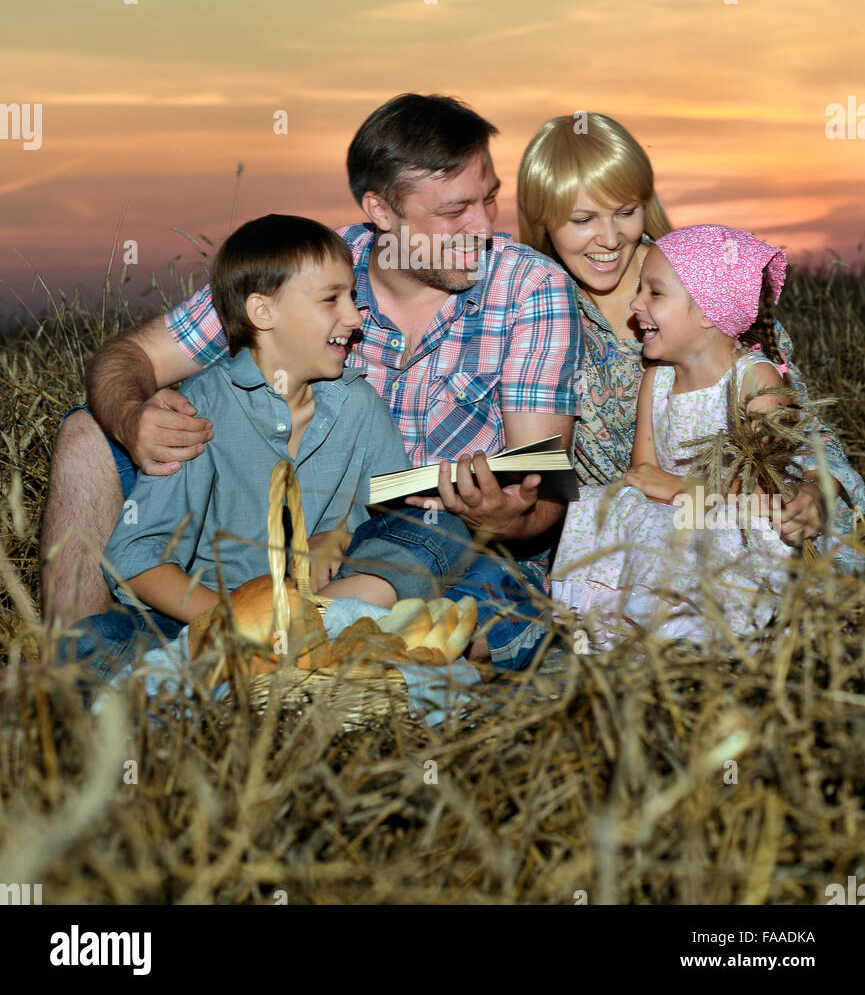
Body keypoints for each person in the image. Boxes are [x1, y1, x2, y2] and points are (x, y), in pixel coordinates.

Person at [42, 95, 582, 670]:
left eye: (491, 198)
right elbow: (130, 357)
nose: (483, 225)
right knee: (85, 433)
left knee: (458, 572)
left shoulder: (529, 287)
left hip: (437, 540)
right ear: (380, 208)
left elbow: (542, 491)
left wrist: (505, 514)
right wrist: (131, 420)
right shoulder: (308, 269)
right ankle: (65, 676)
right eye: (455, 211)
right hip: (273, 534)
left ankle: (240, 654)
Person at [59, 215, 478, 678]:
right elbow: (137, 559)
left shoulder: (359, 403)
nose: (356, 317)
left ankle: (310, 631)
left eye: (353, 298)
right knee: (91, 646)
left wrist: (337, 537)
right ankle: (280, 651)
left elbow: (395, 517)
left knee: (443, 527)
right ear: (262, 313)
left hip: (333, 598)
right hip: (208, 617)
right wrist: (232, 618)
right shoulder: (197, 412)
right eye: (331, 299)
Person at [517, 112, 865, 548]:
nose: (608, 238)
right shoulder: (532, 315)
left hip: (752, 528)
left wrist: (817, 492)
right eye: (582, 220)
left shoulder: (711, 285)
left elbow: (808, 436)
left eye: (626, 212)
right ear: (542, 218)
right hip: (629, 546)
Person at [550, 225, 857, 647]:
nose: (636, 304)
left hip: (737, 517)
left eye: (654, 293)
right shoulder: (656, 379)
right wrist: (660, 489)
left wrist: (678, 489)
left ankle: (700, 630)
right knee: (597, 502)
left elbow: (762, 491)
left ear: (709, 310)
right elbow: (642, 470)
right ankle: (618, 623)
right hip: (680, 513)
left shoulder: (754, 380)